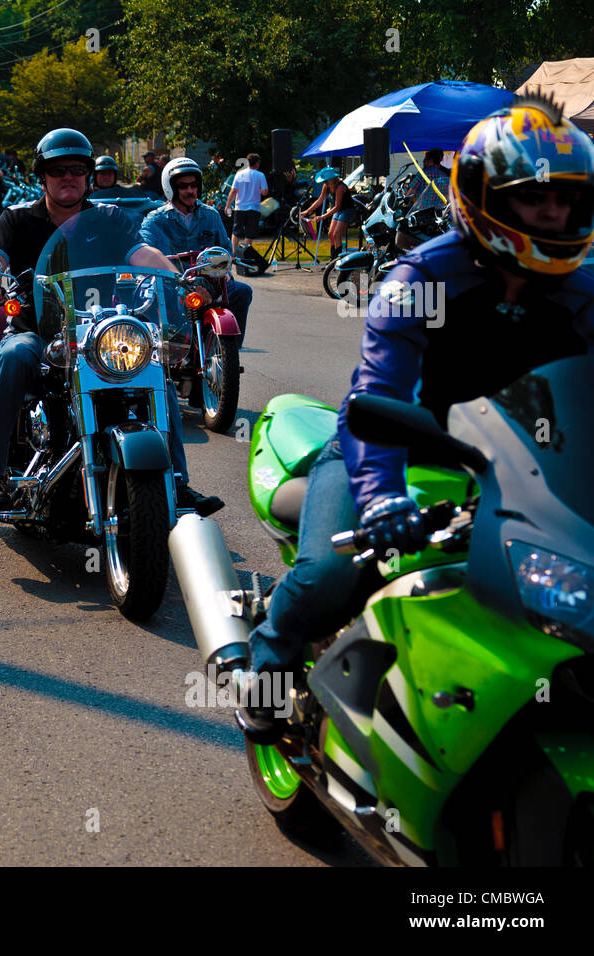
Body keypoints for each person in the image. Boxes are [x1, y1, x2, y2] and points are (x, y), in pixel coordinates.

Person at [234, 96, 594, 738]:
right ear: (484, 195)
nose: (553, 212)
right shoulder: (422, 279)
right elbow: (380, 392)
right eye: (535, 197)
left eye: (565, 198)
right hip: (390, 450)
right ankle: (267, 660)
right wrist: (379, 499)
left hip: (518, 471)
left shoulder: (582, 290)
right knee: (331, 573)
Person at [0, 127, 223, 518]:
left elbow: (142, 253)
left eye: (77, 168)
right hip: (38, 333)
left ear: (88, 175)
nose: (68, 176)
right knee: (13, 356)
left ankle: (175, 481)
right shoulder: (17, 219)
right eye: (58, 169)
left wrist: (179, 277)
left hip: (99, 334)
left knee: (152, 364)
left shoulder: (108, 219)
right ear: (42, 175)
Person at [141, 157, 253, 348]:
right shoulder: (155, 220)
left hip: (208, 283)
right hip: (171, 285)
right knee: (145, 303)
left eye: (193, 185)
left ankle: (229, 349)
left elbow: (225, 247)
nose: (190, 191)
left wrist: (224, 272)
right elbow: (144, 250)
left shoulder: (210, 215)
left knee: (242, 292)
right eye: (183, 186)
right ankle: (158, 350)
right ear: (171, 188)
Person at [299, 166, 354, 261]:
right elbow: (320, 200)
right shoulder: (327, 186)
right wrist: (307, 211)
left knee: (336, 234)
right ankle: (332, 258)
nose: (324, 182)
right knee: (330, 234)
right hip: (338, 210)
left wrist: (322, 217)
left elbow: (337, 206)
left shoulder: (340, 187)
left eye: (325, 180)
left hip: (347, 210)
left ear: (331, 179)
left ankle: (338, 260)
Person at [223, 152, 269, 254]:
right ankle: (245, 253)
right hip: (254, 208)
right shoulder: (260, 175)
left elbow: (233, 191)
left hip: (240, 207)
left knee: (236, 232)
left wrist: (227, 205)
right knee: (249, 233)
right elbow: (265, 191)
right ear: (257, 163)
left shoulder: (240, 174)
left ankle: (233, 253)